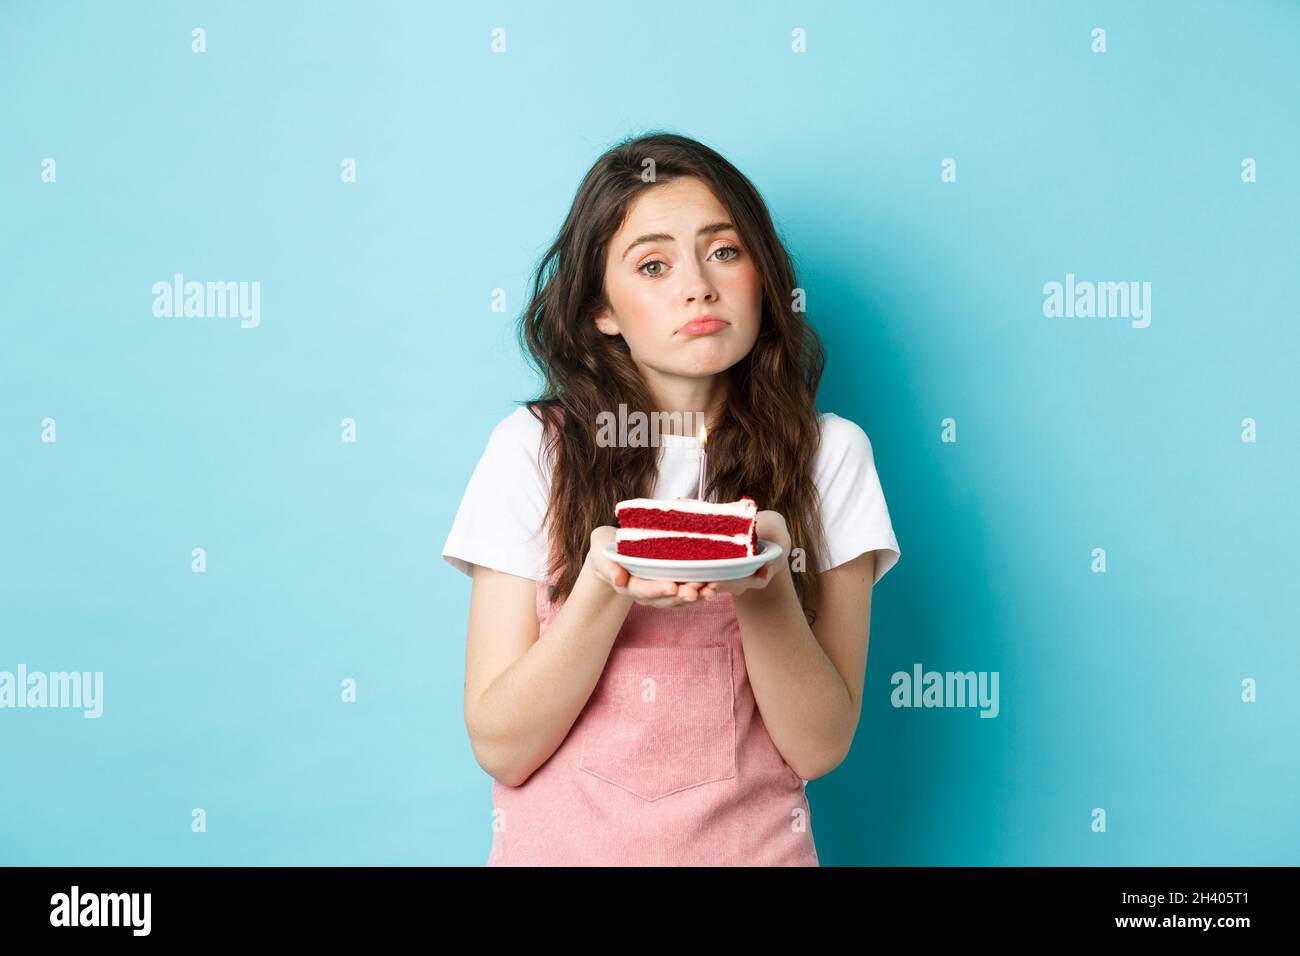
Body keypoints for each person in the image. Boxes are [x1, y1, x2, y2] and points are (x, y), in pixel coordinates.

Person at [441, 131, 900, 865]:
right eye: (653, 265)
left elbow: (819, 747)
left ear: (763, 275)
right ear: (602, 311)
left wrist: (767, 580)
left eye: (724, 251)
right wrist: (603, 583)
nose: (699, 286)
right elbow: (502, 746)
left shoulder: (831, 456)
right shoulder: (532, 449)